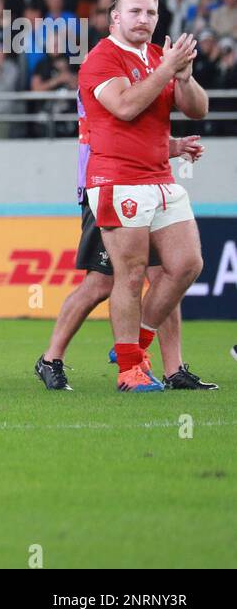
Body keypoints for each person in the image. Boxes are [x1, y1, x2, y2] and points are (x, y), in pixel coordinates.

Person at [77, 0, 210, 392]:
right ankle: (130, 371)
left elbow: (197, 110)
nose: (144, 19)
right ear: (115, 17)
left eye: (151, 13)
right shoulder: (101, 58)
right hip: (117, 179)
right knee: (131, 275)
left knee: (187, 264)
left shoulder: (159, 57)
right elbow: (126, 106)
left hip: (159, 177)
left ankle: (136, 344)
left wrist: (183, 77)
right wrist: (168, 70)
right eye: (134, 11)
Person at [35, 90, 215, 390]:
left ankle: (173, 370)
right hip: (109, 187)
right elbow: (119, 136)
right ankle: (51, 359)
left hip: (145, 186)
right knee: (101, 283)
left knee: (165, 275)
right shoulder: (108, 81)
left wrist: (172, 146)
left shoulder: (130, 77)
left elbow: (138, 135)